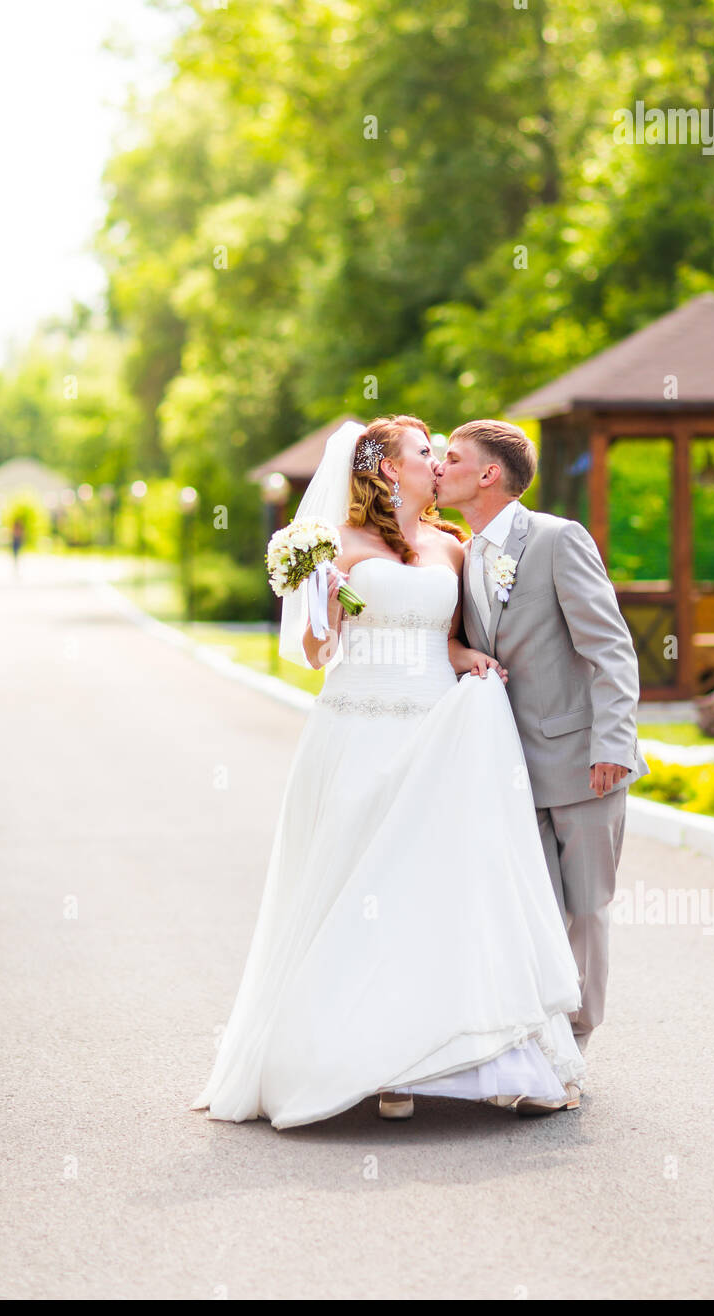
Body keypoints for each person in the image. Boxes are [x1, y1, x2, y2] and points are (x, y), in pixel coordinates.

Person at [190, 417, 585, 1129]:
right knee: (352, 888)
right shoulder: (332, 543)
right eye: (423, 452)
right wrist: (325, 601)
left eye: (438, 452)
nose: (437, 463)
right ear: (383, 468)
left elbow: (453, 637)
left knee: (430, 889)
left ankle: (437, 1057)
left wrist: (467, 659)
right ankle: (369, 1067)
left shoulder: (452, 548)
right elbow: (314, 651)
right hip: (354, 726)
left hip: (433, 729)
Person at [434, 420, 649, 1056]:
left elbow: (611, 647)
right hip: (507, 764)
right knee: (534, 909)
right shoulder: (461, 553)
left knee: (585, 909)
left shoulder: (557, 539)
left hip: (584, 763)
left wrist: (612, 743)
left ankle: (577, 1044)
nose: (440, 468)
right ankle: (539, 1040)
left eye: (452, 457)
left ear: (489, 474)